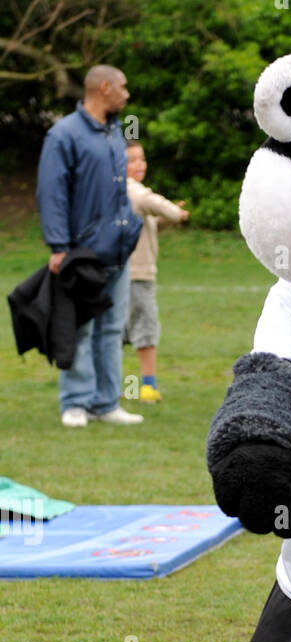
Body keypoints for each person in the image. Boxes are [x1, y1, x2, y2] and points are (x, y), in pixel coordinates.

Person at [36, 64, 143, 427]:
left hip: (117, 252)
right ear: (105, 88)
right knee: (79, 327)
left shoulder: (115, 132)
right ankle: (75, 402)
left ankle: (106, 402)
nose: (127, 95)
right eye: (123, 87)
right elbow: (51, 194)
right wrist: (58, 246)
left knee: (112, 329)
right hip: (81, 254)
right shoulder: (63, 135)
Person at [124, 141, 189, 402]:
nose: (139, 164)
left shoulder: (121, 192)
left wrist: (165, 220)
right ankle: (148, 386)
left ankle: (104, 386)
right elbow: (149, 201)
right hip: (137, 274)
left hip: (126, 273)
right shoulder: (132, 190)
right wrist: (176, 212)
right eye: (132, 160)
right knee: (146, 328)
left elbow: (146, 222)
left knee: (119, 331)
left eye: (142, 158)